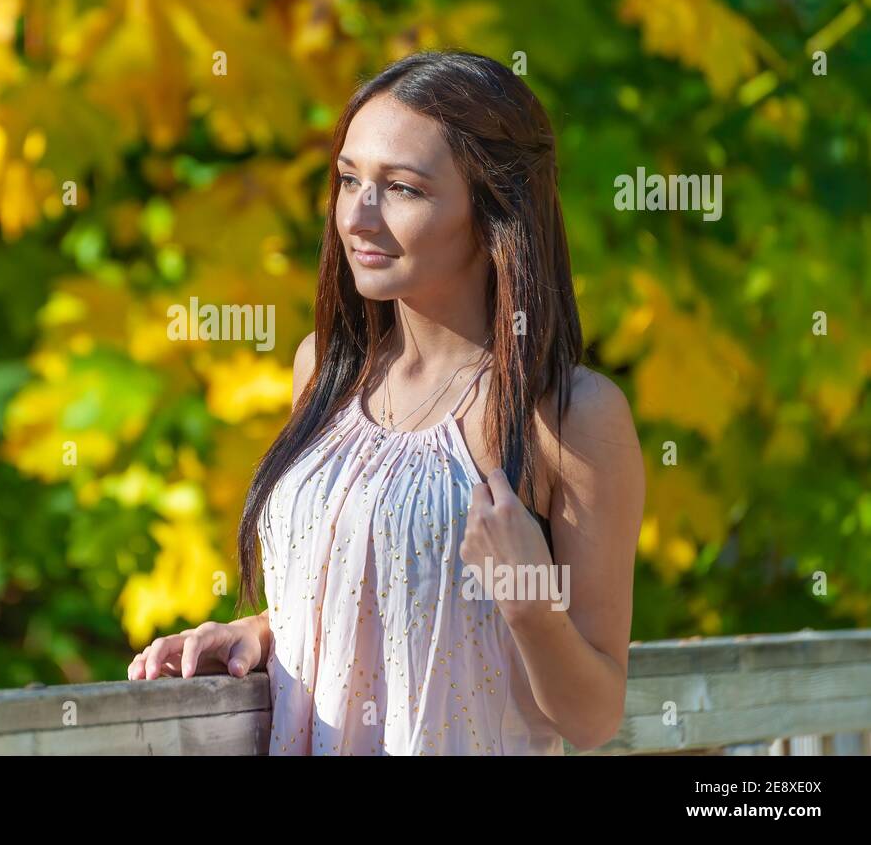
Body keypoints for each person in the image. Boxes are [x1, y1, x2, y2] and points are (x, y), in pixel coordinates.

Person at [127, 50, 645, 755]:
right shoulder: (324, 373)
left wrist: (528, 599)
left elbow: (592, 718)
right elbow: (383, 596)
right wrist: (264, 629)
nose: (359, 217)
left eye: (401, 188)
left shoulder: (569, 414)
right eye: (348, 180)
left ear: (494, 208)